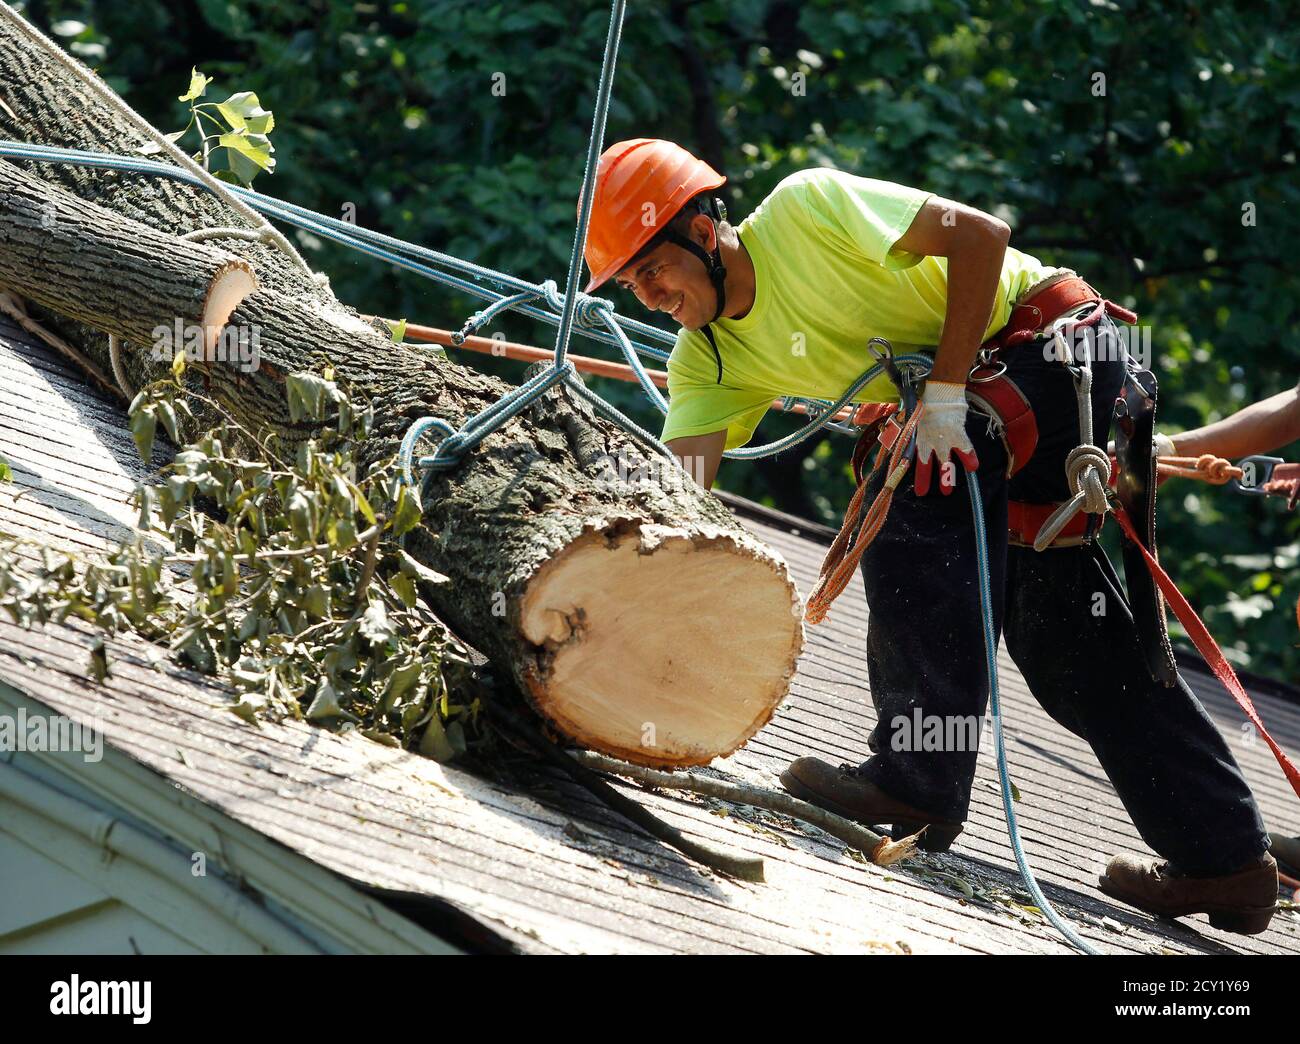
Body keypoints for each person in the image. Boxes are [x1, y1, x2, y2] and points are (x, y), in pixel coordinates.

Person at [582, 138, 1279, 934]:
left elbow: (983, 234)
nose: (650, 295)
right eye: (632, 284)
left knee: (914, 477)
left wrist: (945, 392)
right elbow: (683, 496)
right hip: (991, 411)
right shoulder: (705, 362)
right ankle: (1226, 860)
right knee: (1065, 643)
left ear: (702, 231)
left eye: (652, 270)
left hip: (1055, 346)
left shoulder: (808, 211)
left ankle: (914, 783)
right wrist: (621, 609)